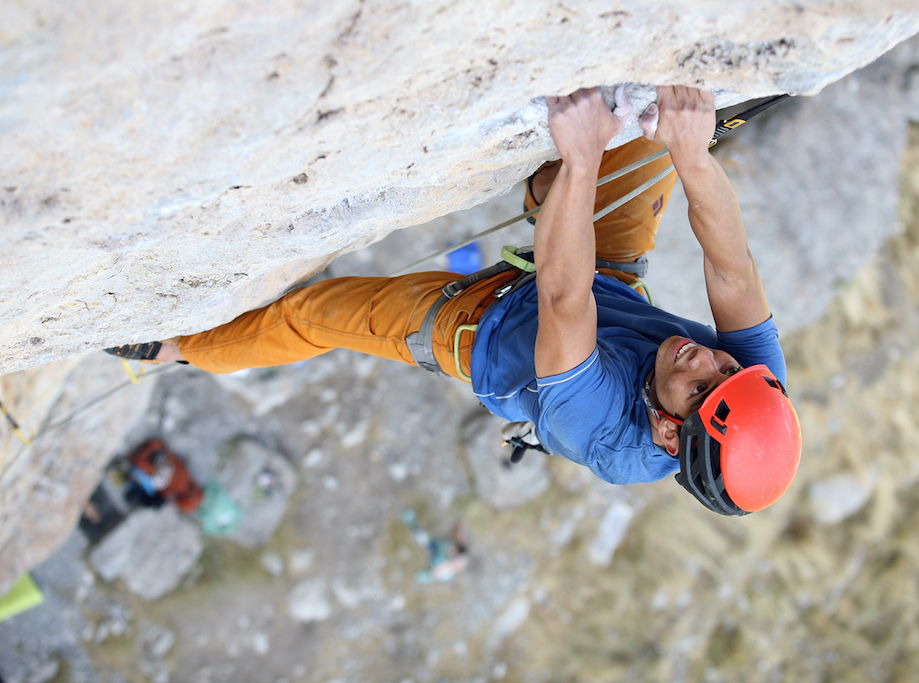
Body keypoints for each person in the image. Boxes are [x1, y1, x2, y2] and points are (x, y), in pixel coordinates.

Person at [108, 86, 801, 516]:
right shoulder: (753, 396)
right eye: (725, 366)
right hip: (606, 285)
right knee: (656, 136)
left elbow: (562, 298)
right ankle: (550, 189)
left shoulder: (604, 434)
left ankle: (185, 348)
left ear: (671, 435)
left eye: (700, 385)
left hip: (479, 326)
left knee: (311, 314)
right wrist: (693, 154)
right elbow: (733, 274)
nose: (705, 358)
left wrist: (584, 156)